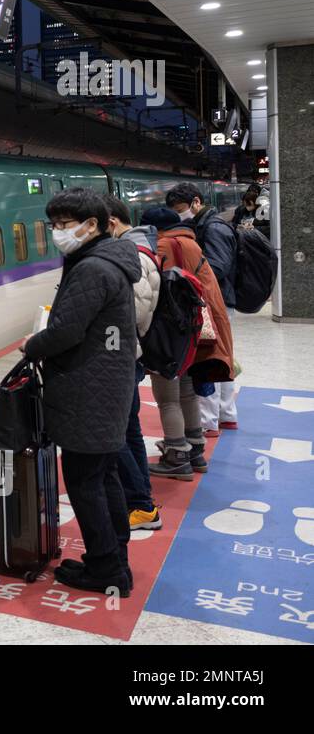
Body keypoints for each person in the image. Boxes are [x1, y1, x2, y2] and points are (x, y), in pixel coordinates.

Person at [21, 188, 139, 595]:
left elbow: (67, 332)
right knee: (104, 477)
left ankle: (106, 570)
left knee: (86, 483)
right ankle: (114, 560)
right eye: (53, 225)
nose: (57, 232)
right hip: (106, 385)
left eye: (64, 225)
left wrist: (32, 345)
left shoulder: (92, 269)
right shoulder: (110, 259)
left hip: (89, 390)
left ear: (93, 225)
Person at [140, 206, 235, 480]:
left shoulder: (162, 247)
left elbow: (153, 291)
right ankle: (195, 450)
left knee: (167, 399)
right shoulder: (191, 244)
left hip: (170, 334)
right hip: (192, 332)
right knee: (187, 392)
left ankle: (176, 456)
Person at [104, 195, 162, 531]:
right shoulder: (138, 247)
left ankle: (141, 504)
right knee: (129, 430)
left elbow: (133, 316)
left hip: (123, 358)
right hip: (130, 355)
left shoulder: (133, 255)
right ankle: (141, 500)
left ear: (110, 222)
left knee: (119, 433)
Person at [166, 182, 239, 431]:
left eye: (181, 208)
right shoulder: (204, 224)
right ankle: (226, 414)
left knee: (211, 357)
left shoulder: (214, 228)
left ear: (197, 202)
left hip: (215, 301)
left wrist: (189, 276)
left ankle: (209, 421)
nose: (179, 214)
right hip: (216, 299)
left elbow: (218, 267)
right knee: (223, 357)